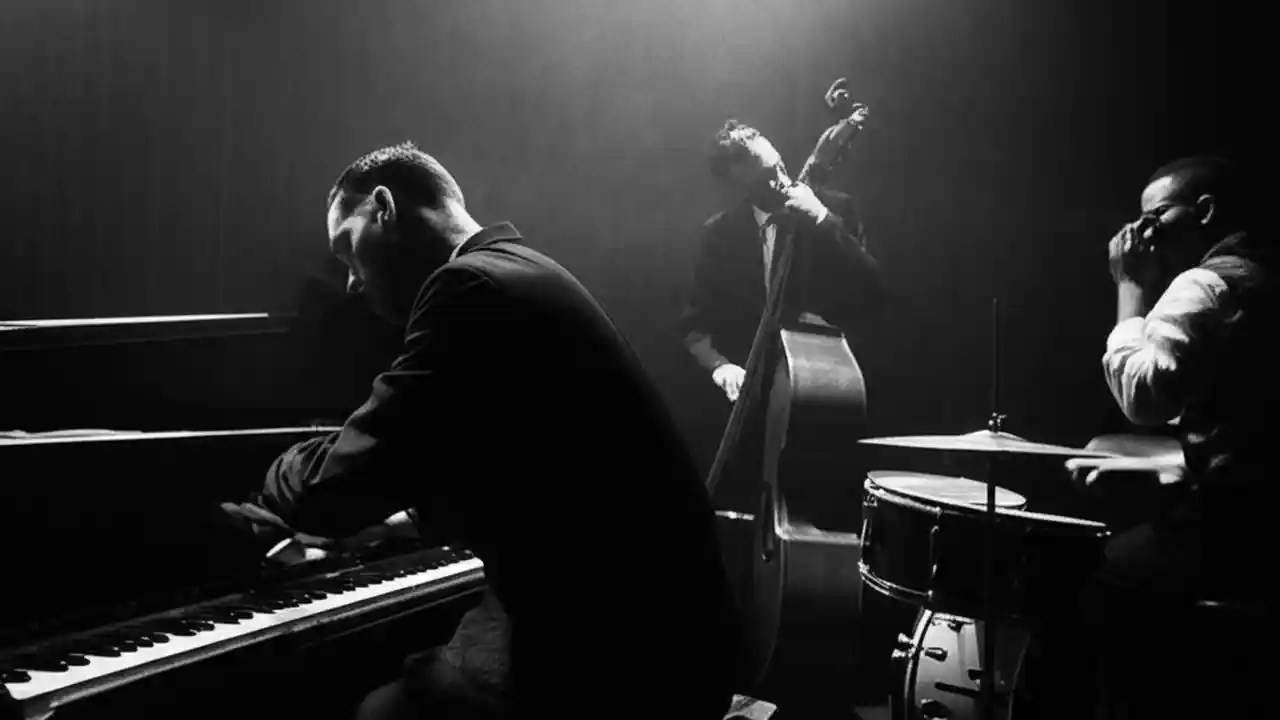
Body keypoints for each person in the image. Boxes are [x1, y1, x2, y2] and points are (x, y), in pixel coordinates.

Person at [219, 141, 739, 719]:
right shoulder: (521, 271)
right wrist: (392, 524)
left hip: (620, 659)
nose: (349, 283)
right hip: (672, 634)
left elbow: (331, 490)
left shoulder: (469, 287)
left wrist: (272, 475)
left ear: (383, 207)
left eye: (347, 248)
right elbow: (528, 474)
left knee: (378, 711)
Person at [1028, 155, 1273, 718]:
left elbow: (1143, 398)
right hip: (1265, 516)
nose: (1142, 234)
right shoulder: (1262, 276)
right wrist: (1155, 462)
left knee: (1094, 580)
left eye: (1155, 217)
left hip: (1234, 532)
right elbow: (1248, 425)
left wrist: (1129, 292)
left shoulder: (1204, 285)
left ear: (1204, 211)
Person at [680, 119, 886, 408]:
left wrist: (821, 218)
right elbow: (695, 326)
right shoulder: (719, 235)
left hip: (834, 388)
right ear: (739, 187)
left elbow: (873, 288)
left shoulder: (836, 210)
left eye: (779, 166)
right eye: (766, 179)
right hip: (753, 398)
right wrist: (720, 367)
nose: (783, 181)